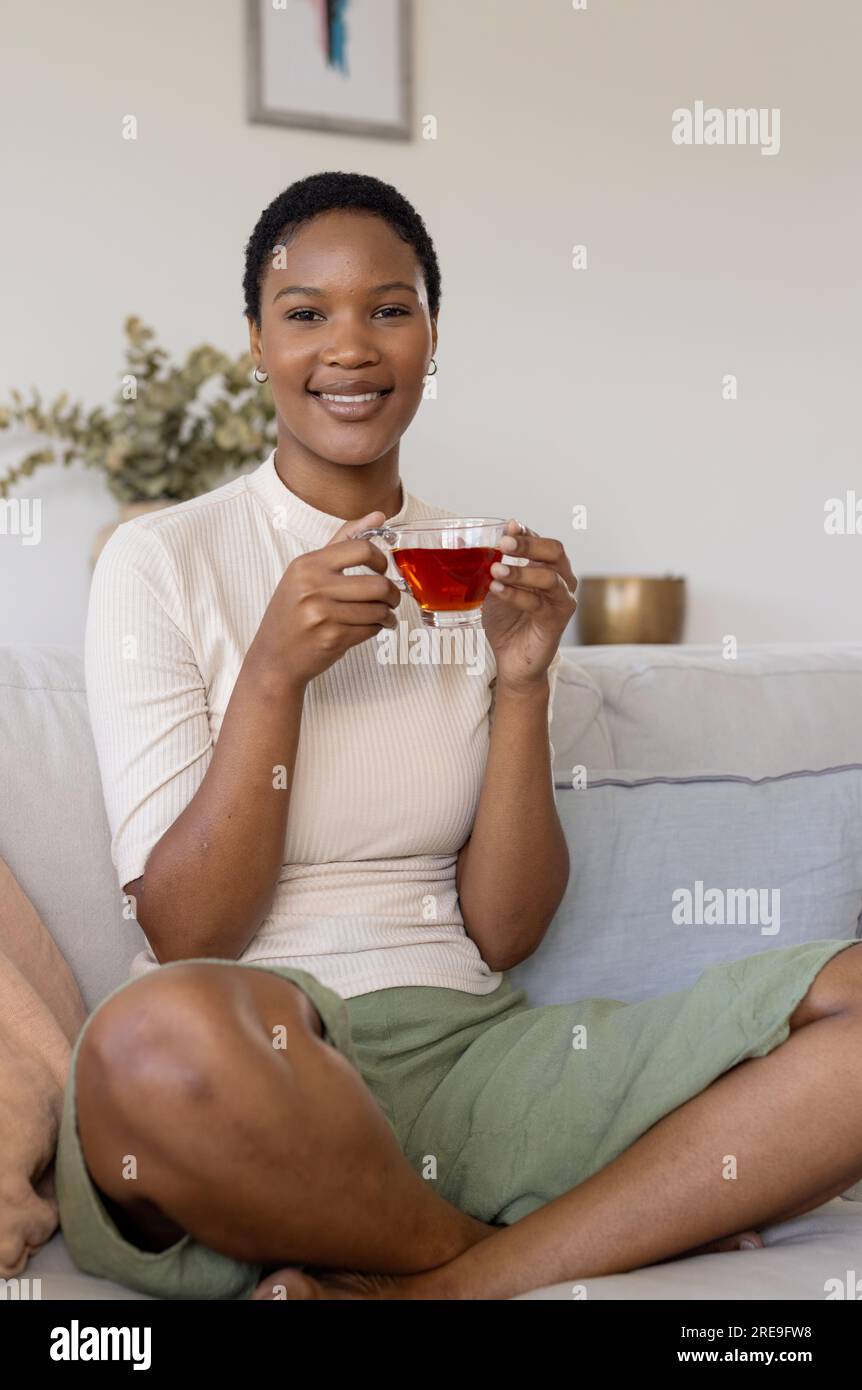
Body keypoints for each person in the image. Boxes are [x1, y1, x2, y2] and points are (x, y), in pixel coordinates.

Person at [56, 171, 862, 1301]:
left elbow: (504, 931)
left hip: (467, 1049)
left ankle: (421, 1289)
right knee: (152, 1037)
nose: (351, 347)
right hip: (250, 1057)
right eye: (304, 313)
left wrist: (525, 680)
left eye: (390, 308)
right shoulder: (164, 561)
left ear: (432, 338)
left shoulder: (473, 568)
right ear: (253, 343)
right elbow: (193, 927)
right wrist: (275, 675)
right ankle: (487, 1256)